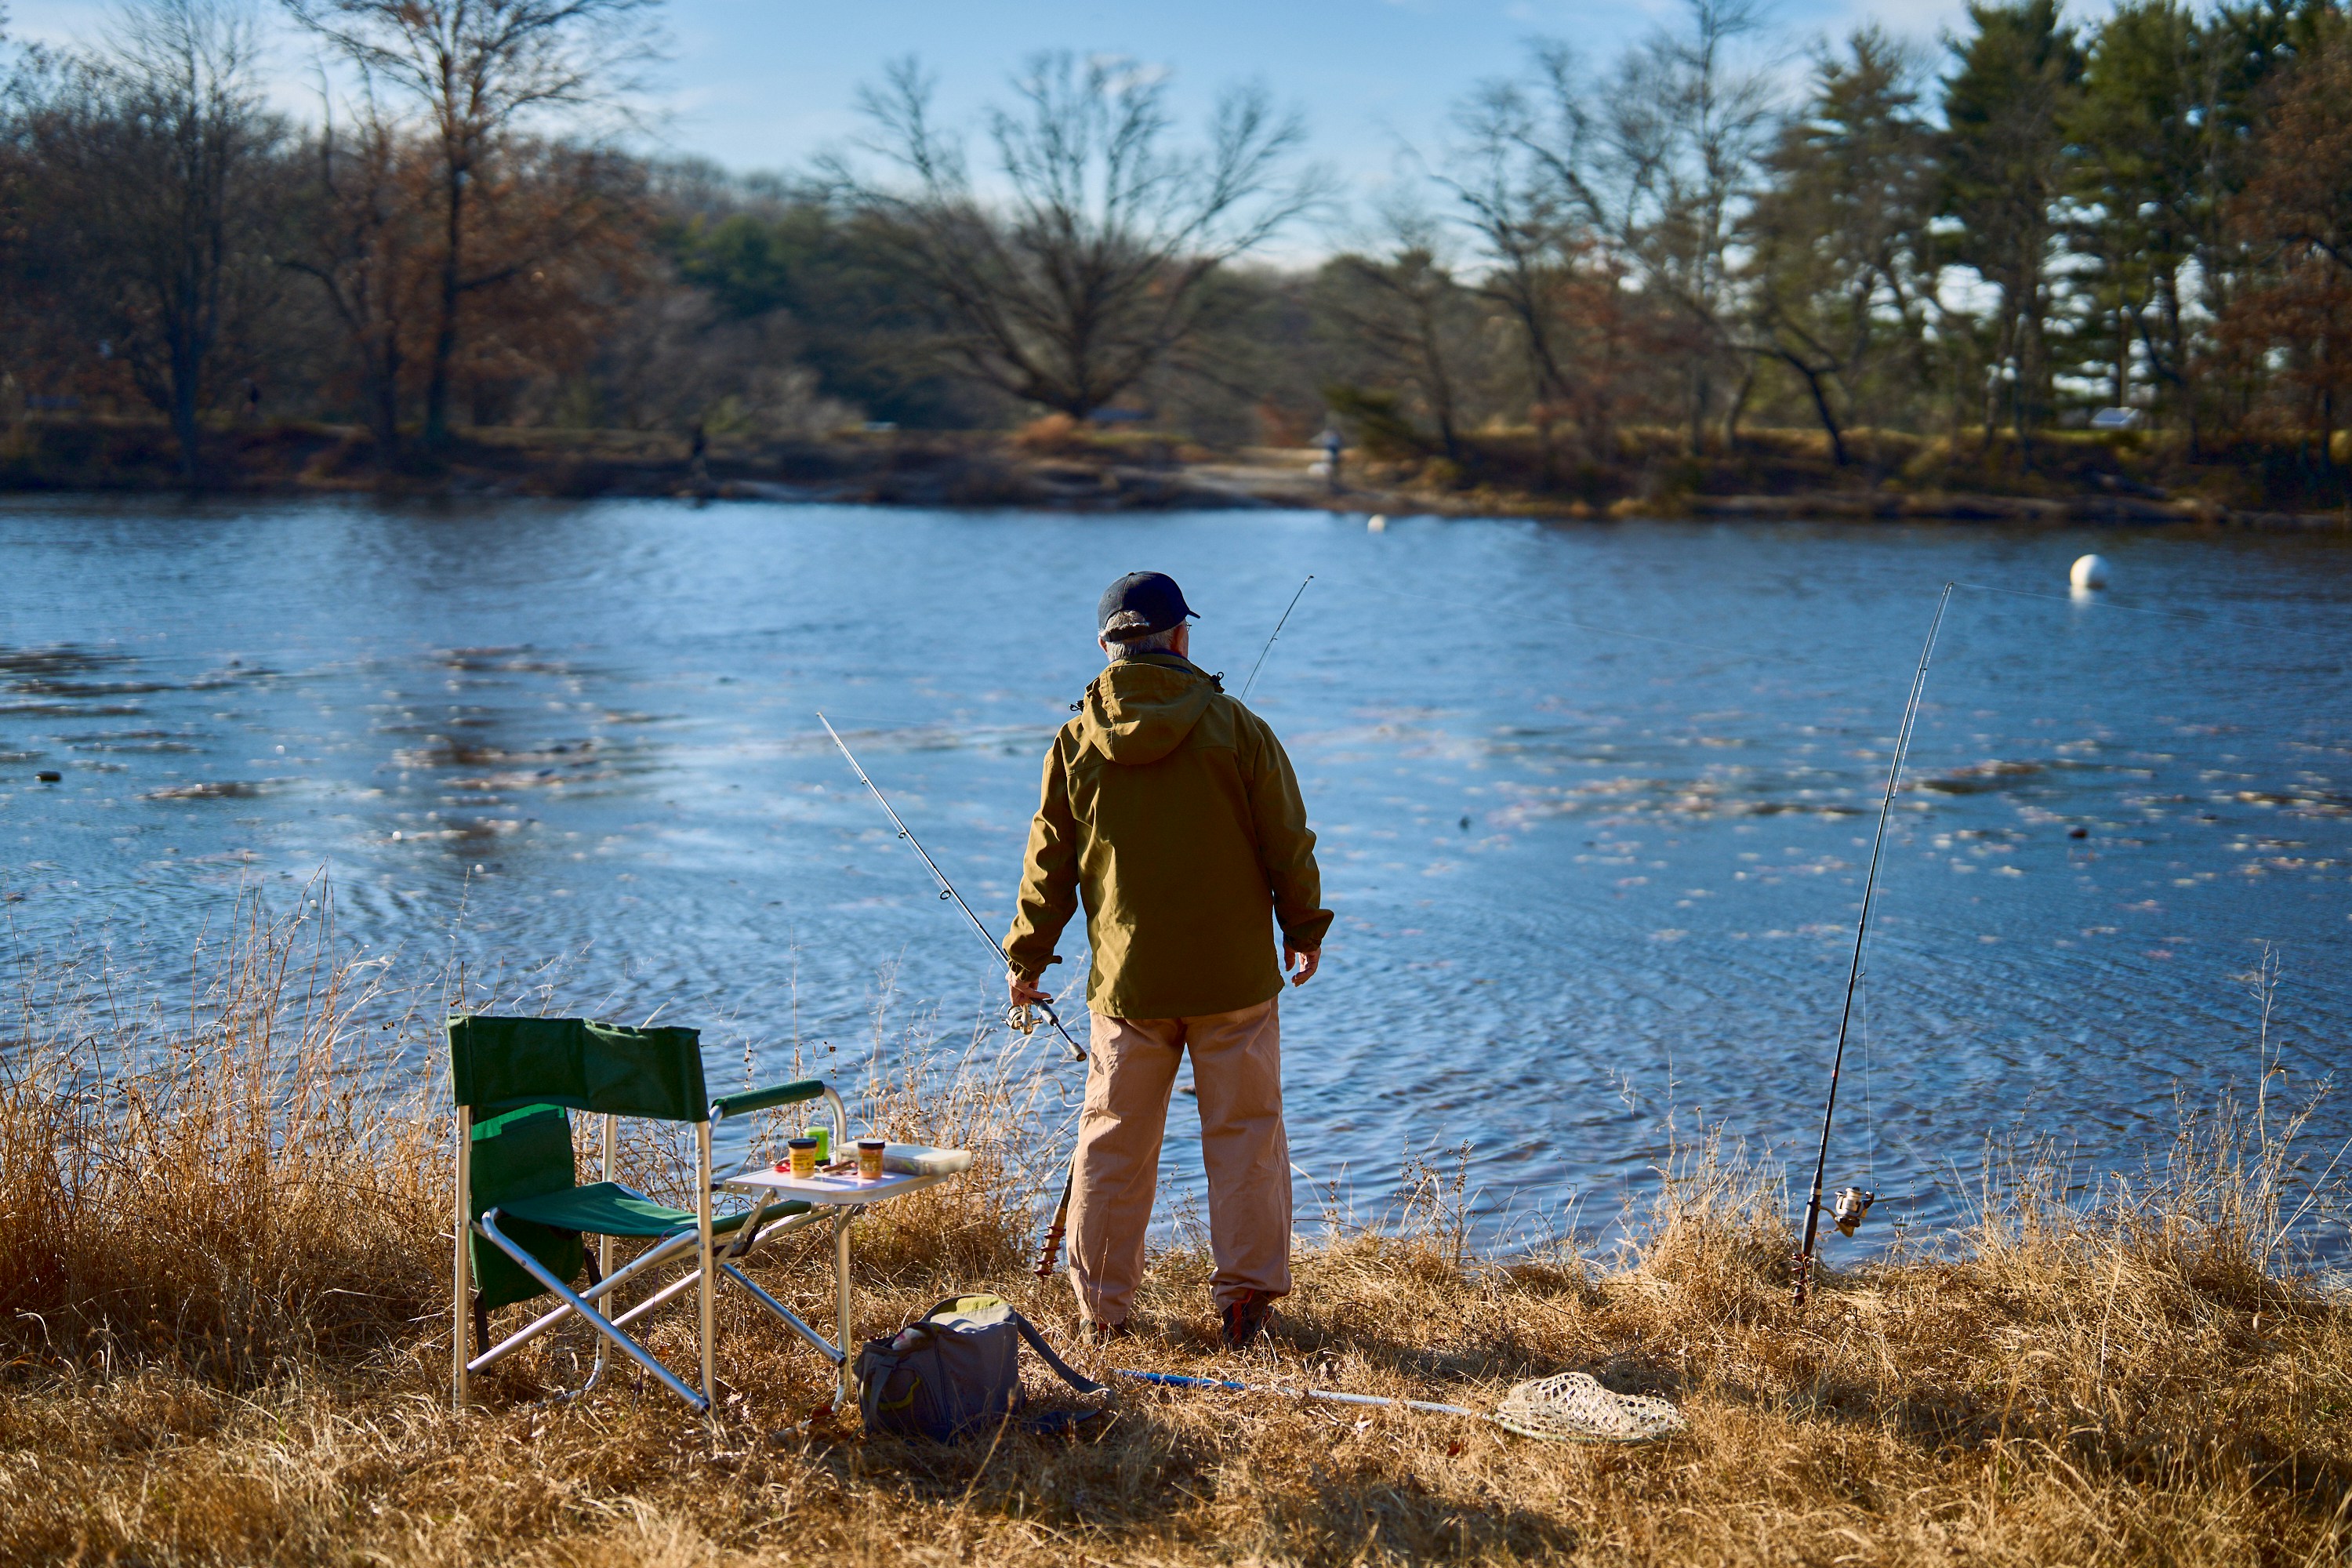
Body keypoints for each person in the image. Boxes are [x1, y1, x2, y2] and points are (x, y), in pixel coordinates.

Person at [1006, 571, 1332, 1351]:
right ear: (1181, 637)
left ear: (1106, 646)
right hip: (1233, 981)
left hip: (1129, 983)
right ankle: (1245, 1307)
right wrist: (1304, 926)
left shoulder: (1076, 736)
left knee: (1113, 1142)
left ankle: (1104, 1315)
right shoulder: (1237, 725)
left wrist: (1029, 955)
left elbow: (1048, 859)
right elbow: (1288, 837)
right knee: (1246, 1134)